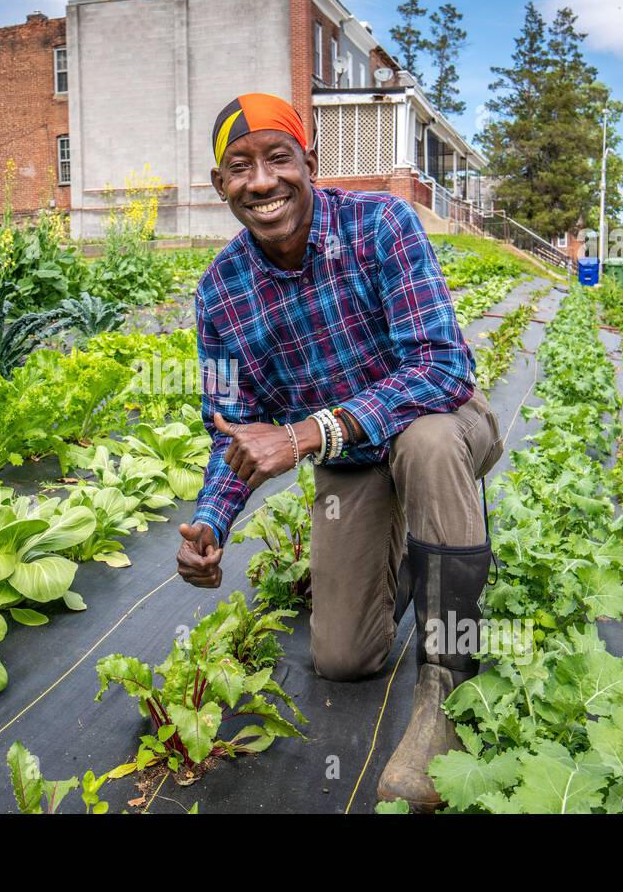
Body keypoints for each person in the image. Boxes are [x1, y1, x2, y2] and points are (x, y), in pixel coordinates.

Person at [176, 92, 503, 811]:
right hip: (354, 467)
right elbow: (231, 430)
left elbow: (443, 370)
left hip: (444, 426)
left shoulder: (381, 224)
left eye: (277, 159)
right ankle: (429, 553)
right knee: (344, 660)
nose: (261, 182)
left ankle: (447, 690)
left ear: (309, 165)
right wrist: (211, 522)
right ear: (219, 184)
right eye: (240, 168)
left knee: (427, 440)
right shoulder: (220, 294)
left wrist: (306, 434)